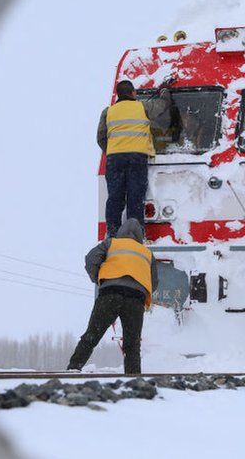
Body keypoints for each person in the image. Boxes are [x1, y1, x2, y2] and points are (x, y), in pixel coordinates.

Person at [67, 218, 159, 374]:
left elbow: (90, 259)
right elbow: (154, 282)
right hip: (135, 300)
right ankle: (133, 376)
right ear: (140, 236)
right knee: (132, 344)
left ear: (121, 232)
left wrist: (98, 278)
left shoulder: (111, 243)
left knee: (92, 335)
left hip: (110, 294)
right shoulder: (147, 253)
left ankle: (73, 368)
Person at [97, 79, 172, 237]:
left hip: (115, 159)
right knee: (135, 197)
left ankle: (112, 233)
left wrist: (110, 151)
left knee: (115, 198)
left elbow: (101, 137)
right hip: (137, 157)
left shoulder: (108, 111)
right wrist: (164, 91)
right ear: (133, 93)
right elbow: (161, 107)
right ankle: (136, 235)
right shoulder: (142, 106)